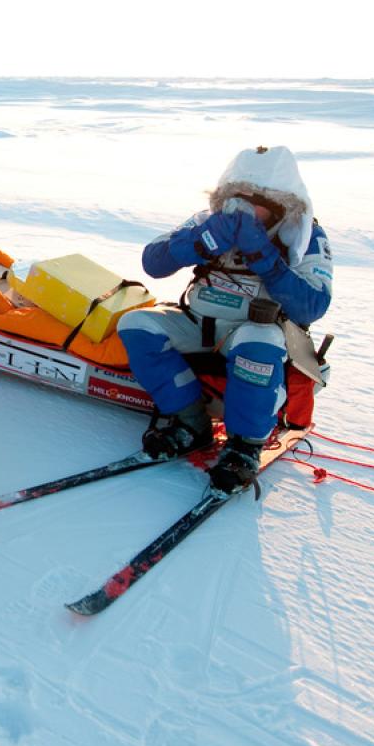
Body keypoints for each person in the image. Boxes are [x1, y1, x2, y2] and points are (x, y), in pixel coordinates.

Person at [115, 146, 333, 491]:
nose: (241, 208)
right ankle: (190, 423)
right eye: (236, 197)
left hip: (254, 329)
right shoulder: (207, 222)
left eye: (255, 201)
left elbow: (312, 305)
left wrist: (265, 257)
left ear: (280, 208)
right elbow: (153, 262)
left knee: (256, 344)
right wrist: (198, 244)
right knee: (136, 325)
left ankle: (244, 447)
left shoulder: (305, 237)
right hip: (199, 320)